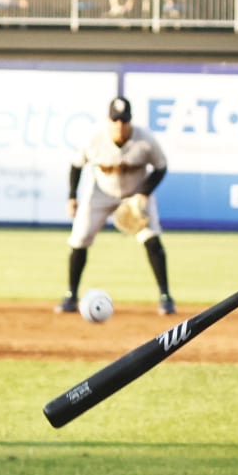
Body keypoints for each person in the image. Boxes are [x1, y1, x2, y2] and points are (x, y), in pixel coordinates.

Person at [55, 96, 175, 317]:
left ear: (130, 121)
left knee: (151, 238)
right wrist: (72, 196)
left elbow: (161, 167)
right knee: (79, 239)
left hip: (135, 194)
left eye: (124, 121)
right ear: (109, 120)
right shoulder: (94, 139)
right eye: (116, 120)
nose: (120, 125)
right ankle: (71, 295)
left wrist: (143, 193)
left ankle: (166, 297)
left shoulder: (146, 140)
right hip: (100, 192)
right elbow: (76, 165)